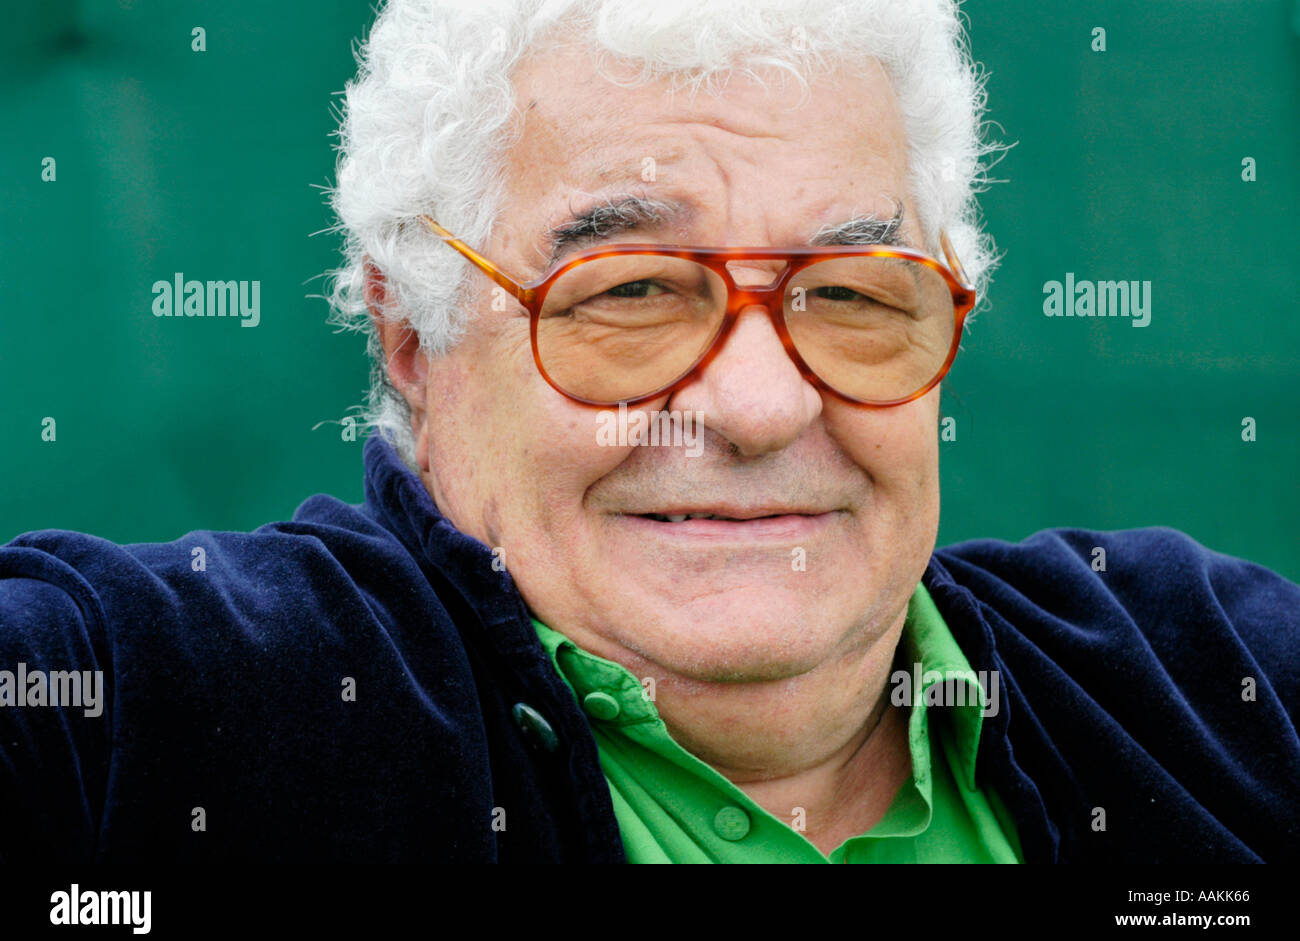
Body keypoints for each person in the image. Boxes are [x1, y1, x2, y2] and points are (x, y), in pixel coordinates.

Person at [1, 0, 1296, 863]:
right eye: (627, 292)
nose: (758, 404)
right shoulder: (175, 723)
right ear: (414, 337)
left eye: (848, 293)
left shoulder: (1214, 685)